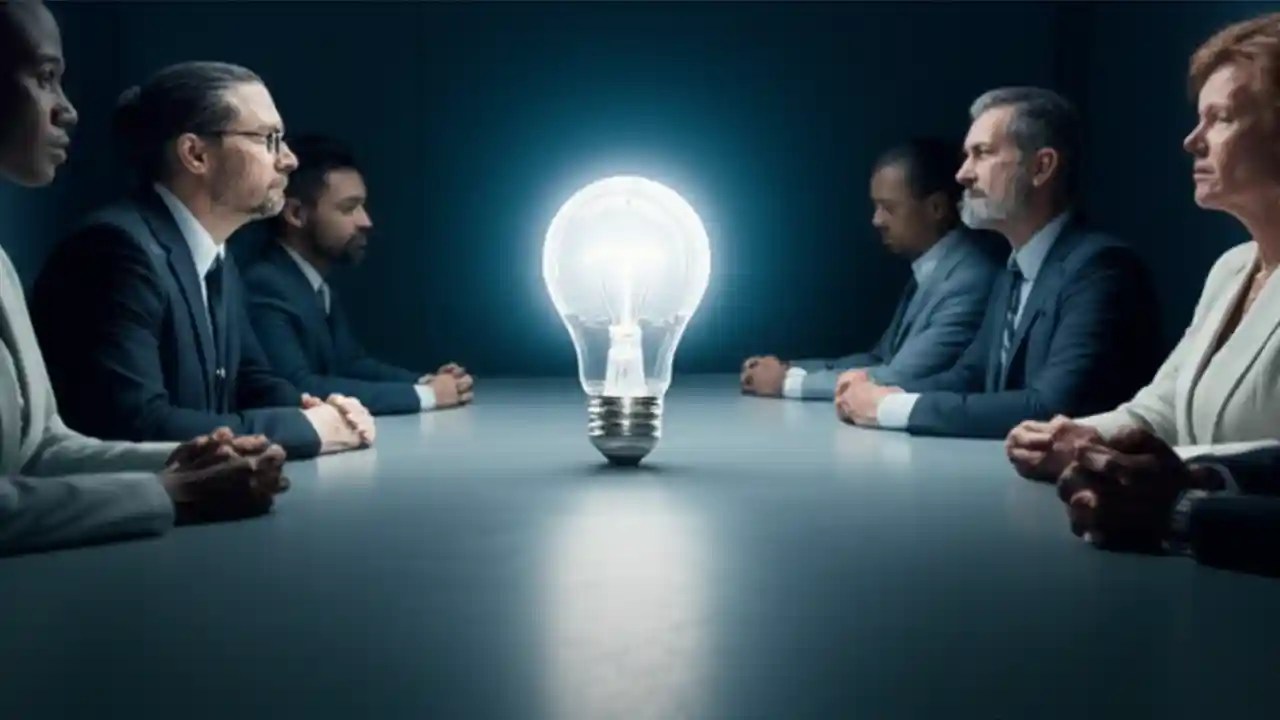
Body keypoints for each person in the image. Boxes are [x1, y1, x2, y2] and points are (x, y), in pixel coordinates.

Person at [0, 0, 288, 557]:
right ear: (193, 154)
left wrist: (196, 462)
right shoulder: (116, 247)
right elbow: (130, 418)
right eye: (44, 78)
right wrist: (166, 492)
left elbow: (40, 450)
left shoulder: (2, 265)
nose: (68, 110)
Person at [29, 60, 375, 460]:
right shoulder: (112, 250)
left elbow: (251, 381)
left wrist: (322, 410)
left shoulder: (217, 253)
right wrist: (308, 430)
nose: (290, 159)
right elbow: (134, 425)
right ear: (195, 154)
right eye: (270, 139)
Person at [1039, 12, 1280, 577]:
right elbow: (1166, 405)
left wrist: (1182, 501)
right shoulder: (1231, 268)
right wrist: (1083, 438)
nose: (1191, 140)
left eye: (1219, 118)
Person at [835, 87, 1162, 439]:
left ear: (1041, 167)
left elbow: (1051, 408)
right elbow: (971, 375)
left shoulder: (1101, 270)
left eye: (982, 154)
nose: (962, 174)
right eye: (965, 156)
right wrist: (885, 391)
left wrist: (888, 408)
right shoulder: (1013, 269)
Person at [740, 138, 999, 400]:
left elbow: (899, 376)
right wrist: (791, 370)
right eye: (876, 207)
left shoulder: (969, 280)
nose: (877, 220)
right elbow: (879, 358)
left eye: (888, 208)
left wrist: (785, 384)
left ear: (936, 208)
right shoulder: (934, 269)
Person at [242, 134, 474, 415]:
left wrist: (426, 381)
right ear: (296, 213)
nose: (366, 221)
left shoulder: (313, 286)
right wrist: (426, 395)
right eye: (348, 208)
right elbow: (296, 387)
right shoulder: (265, 285)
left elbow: (351, 364)